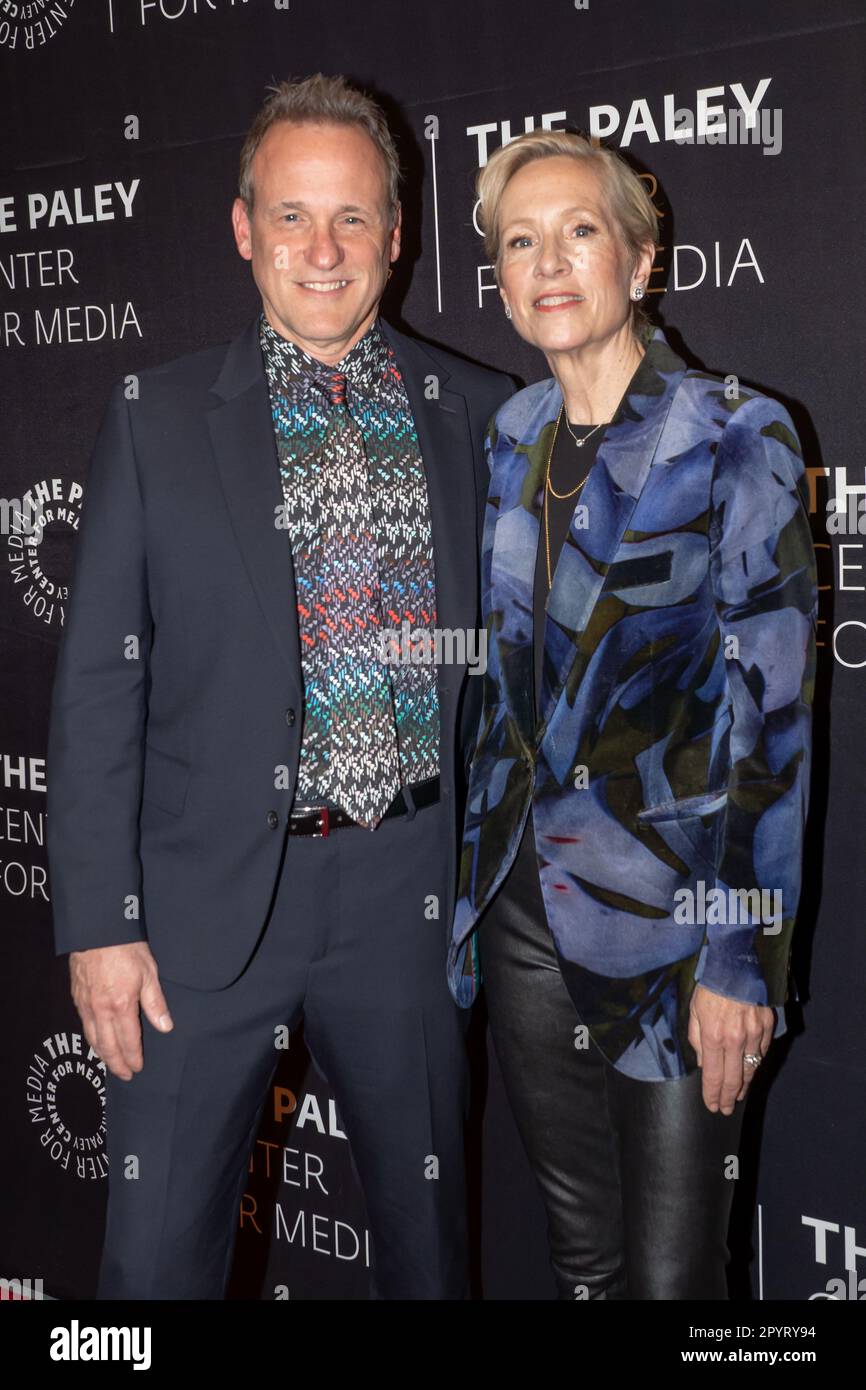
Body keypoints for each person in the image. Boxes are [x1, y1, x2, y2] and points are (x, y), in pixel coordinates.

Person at [46, 73, 513, 1300]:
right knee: (151, 1268)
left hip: (407, 898)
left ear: (395, 236)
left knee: (427, 1251)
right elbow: (98, 682)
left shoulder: (475, 415)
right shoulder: (155, 419)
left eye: (352, 218)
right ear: (243, 227)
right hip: (199, 908)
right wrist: (101, 922)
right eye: (292, 216)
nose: (323, 249)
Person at [448, 129, 817, 1299]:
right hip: (521, 920)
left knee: (673, 1282)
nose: (548, 262)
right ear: (498, 281)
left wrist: (739, 958)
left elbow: (772, 728)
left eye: (578, 230)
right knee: (583, 1263)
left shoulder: (734, 437)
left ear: (640, 259)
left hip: (674, 934)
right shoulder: (508, 442)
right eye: (519, 241)